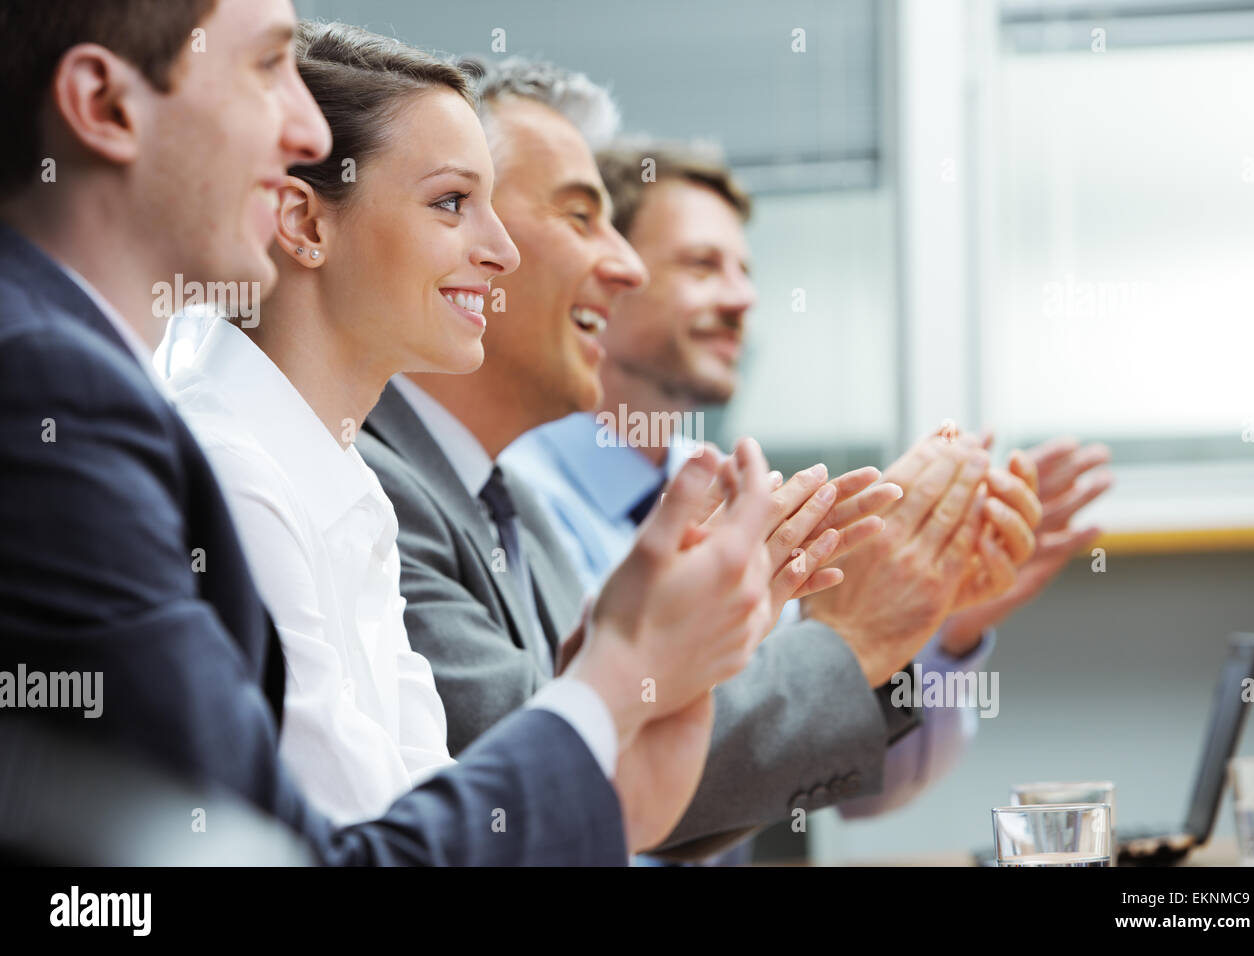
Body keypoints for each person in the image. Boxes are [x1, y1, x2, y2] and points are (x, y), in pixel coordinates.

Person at [0, 0, 779, 864]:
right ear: (305, 223)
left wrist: (616, 742)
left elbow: (404, 813)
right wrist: (611, 687)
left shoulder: (350, 481)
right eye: (451, 202)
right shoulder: (199, 453)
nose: (503, 252)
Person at [358, 56, 1037, 858]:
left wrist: (920, 627)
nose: (623, 267)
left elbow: (653, 799)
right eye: (580, 219)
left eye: (745, 269)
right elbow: (563, 781)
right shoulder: (384, 490)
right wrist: (851, 640)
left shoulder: (517, 504)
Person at [507, 141, 1082, 823]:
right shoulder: (510, 503)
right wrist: (853, 639)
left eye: (745, 271)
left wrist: (939, 627)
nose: (742, 298)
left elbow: (849, 788)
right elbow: (562, 795)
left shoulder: (738, 493)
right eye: (701, 265)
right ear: (609, 275)